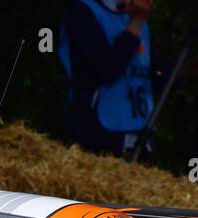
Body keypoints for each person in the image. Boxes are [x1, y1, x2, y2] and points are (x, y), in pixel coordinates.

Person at [58, 0, 155, 156]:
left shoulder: (139, 22)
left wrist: (182, 71)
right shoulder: (83, 11)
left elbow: (147, 79)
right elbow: (106, 68)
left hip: (138, 135)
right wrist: (136, 24)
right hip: (97, 135)